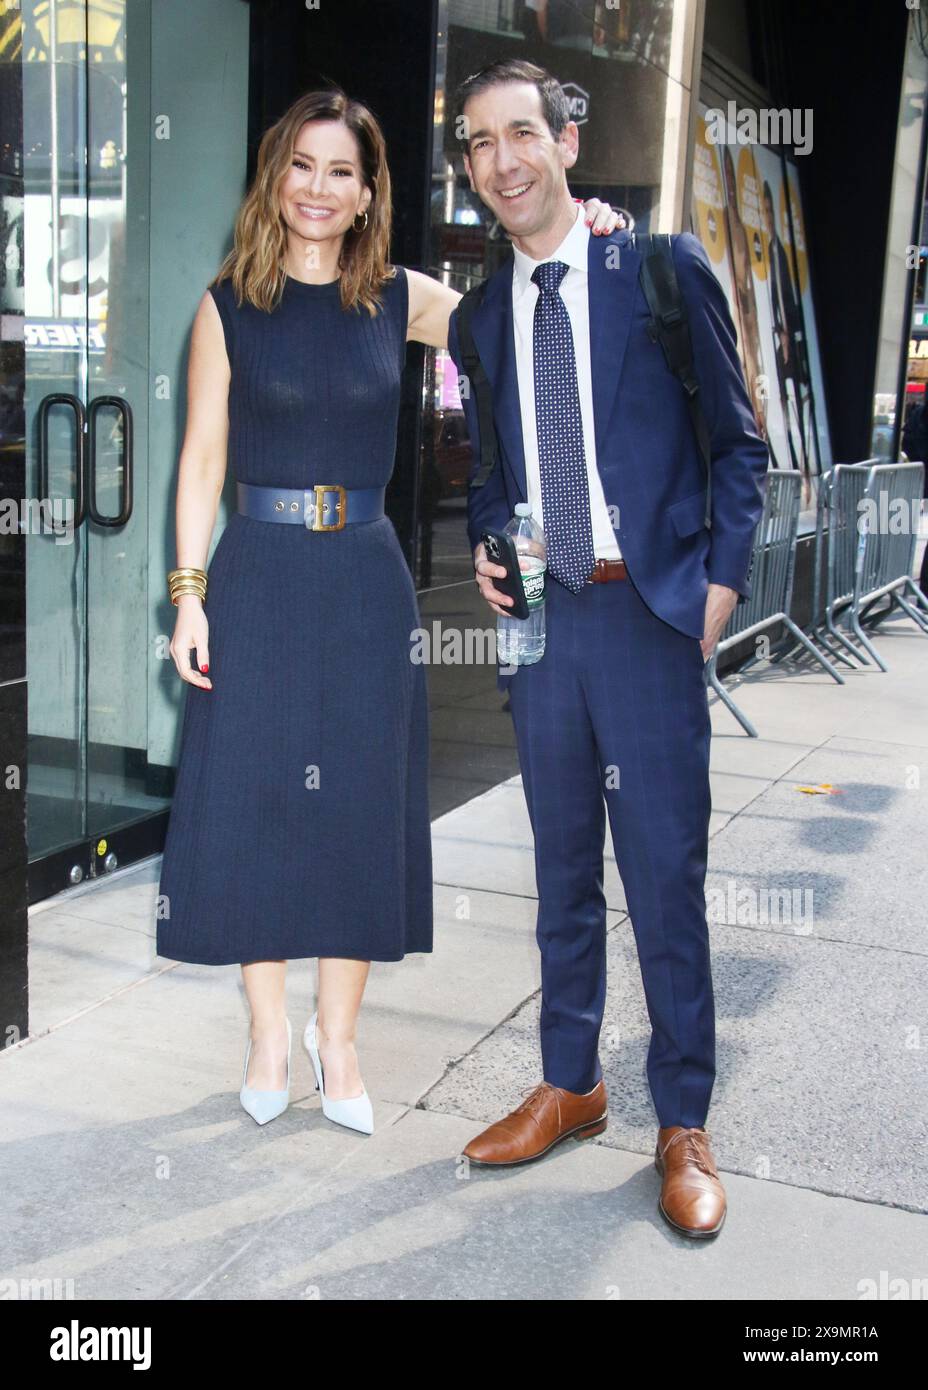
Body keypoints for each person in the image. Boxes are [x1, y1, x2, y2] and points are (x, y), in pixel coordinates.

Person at [155, 85, 621, 1135]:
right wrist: (188, 596)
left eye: (342, 172)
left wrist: (584, 229)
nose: (319, 189)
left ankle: (342, 1037)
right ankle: (270, 1034)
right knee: (262, 806)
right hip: (258, 578)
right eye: (302, 165)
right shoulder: (228, 304)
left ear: (370, 194)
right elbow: (199, 461)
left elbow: (528, 317)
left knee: (357, 809)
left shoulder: (403, 299)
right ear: (276, 176)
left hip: (365, 584)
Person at [447, 60, 769, 1238]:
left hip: (646, 617)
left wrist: (716, 591)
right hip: (545, 629)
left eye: (520, 133)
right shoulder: (485, 318)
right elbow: (493, 476)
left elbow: (739, 448)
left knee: (665, 881)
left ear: (566, 141)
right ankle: (571, 1083)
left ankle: (681, 1119)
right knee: (562, 872)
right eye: (479, 145)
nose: (502, 161)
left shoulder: (663, 272)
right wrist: (491, 544)